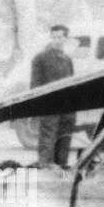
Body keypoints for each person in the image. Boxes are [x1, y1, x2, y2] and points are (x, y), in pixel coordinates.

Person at [31, 24, 75, 167]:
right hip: (49, 105)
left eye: (60, 37)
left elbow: (72, 82)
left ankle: (61, 167)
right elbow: (35, 85)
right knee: (48, 138)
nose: (57, 40)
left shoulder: (67, 59)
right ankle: (45, 167)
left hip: (66, 105)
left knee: (64, 137)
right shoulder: (40, 58)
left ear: (66, 39)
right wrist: (39, 105)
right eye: (54, 37)